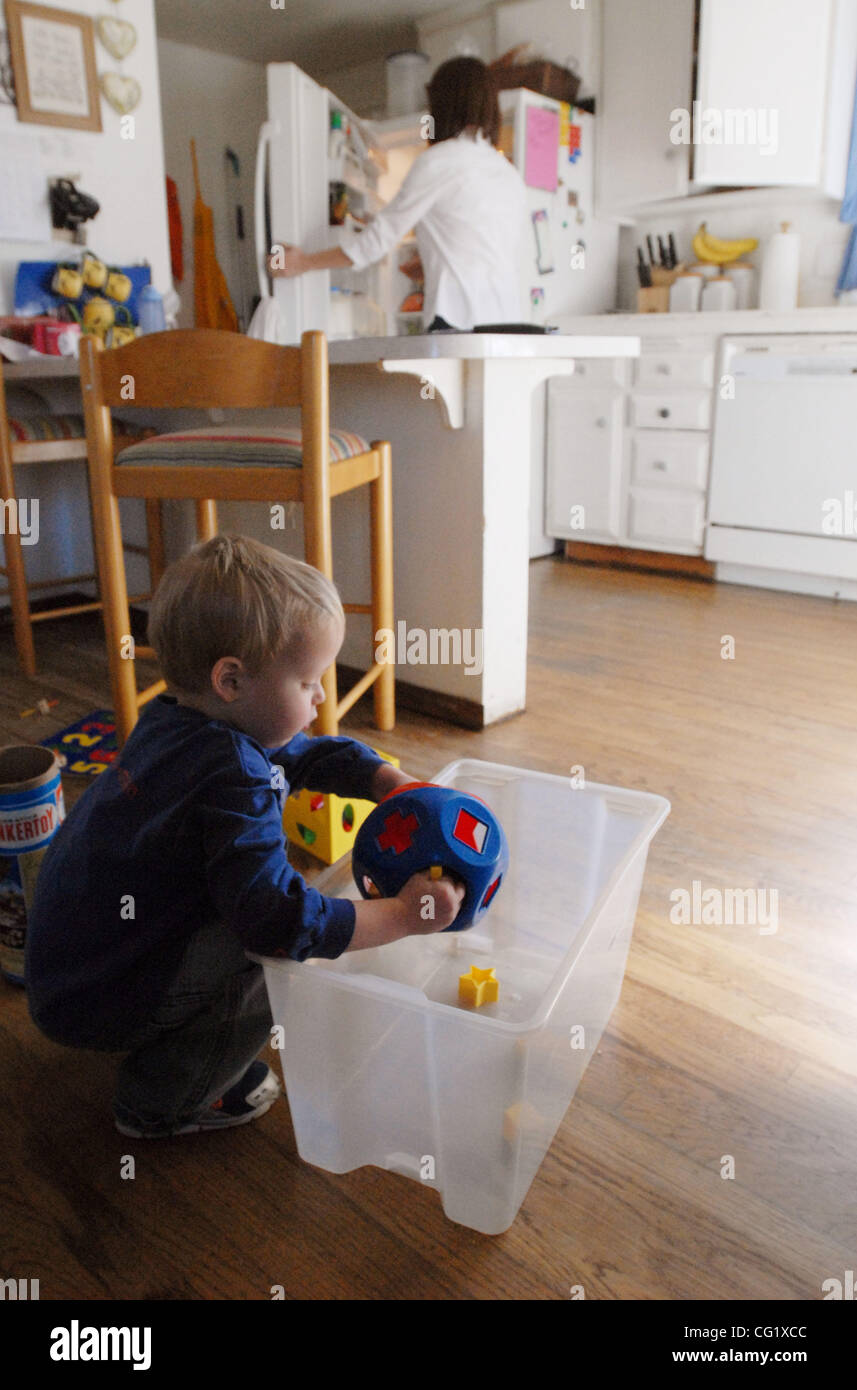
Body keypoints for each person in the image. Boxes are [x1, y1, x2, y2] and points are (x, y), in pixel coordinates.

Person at [25, 535, 464, 1138]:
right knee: (264, 952)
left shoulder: (173, 719)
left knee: (256, 909)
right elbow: (282, 924)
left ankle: (166, 1035)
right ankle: (160, 1102)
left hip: (69, 972)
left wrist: (383, 779)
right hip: (99, 997)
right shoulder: (232, 775)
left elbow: (299, 753)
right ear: (231, 681)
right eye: (309, 681)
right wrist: (403, 917)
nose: (322, 696)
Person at [268, 56, 529, 331]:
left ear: (442, 105)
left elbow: (374, 243)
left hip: (458, 324)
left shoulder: (440, 161)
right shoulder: (509, 173)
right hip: (510, 327)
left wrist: (303, 263)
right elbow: (482, 247)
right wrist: (428, 262)